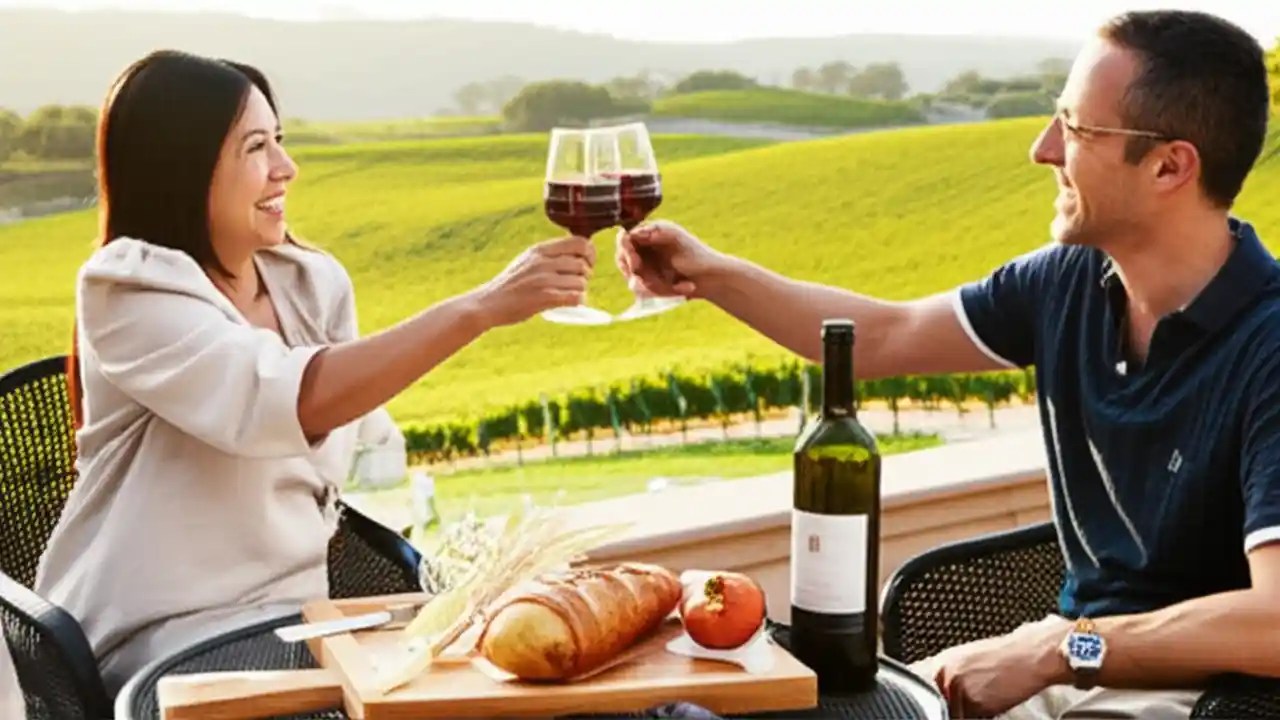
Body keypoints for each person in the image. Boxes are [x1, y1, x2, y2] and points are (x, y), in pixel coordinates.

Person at [617, 10, 1278, 720]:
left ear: (1170, 165)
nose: (1042, 149)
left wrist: (1056, 652)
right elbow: (882, 336)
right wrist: (711, 274)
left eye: (1077, 129)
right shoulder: (1065, 283)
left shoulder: (1269, 346)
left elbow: (1274, 626)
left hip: (1206, 695)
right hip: (1072, 664)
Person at [17, 49, 594, 702]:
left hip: (302, 621)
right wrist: (478, 308)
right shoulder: (127, 287)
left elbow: (349, 416)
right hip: (164, 639)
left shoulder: (311, 283)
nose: (286, 169)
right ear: (182, 167)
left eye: (281, 141)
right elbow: (294, 399)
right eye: (256, 148)